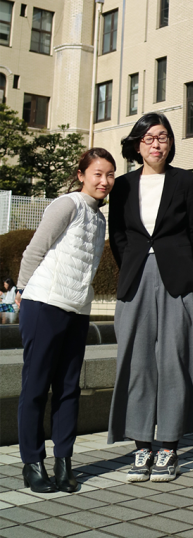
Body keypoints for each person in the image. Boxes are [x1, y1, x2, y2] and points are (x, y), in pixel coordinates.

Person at [107, 113, 193, 482]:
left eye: (162, 137)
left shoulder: (185, 180)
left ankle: (168, 446)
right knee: (136, 362)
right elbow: (118, 236)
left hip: (176, 277)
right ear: (137, 144)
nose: (156, 144)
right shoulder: (122, 186)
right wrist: (137, 264)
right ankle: (141, 445)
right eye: (148, 138)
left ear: (170, 142)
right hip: (134, 278)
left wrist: (176, 264)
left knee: (173, 359)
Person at [16, 148, 115, 493]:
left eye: (110, 175)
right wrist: (23, 291)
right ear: (81, 175)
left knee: (69, 388)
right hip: (44, 303)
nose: (105, 181)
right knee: (36, 386)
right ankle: (31, 462)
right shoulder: (67, 204)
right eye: (98, 174)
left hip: (77, 309)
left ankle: (64, 463)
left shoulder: (100, 218)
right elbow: (35, 250)